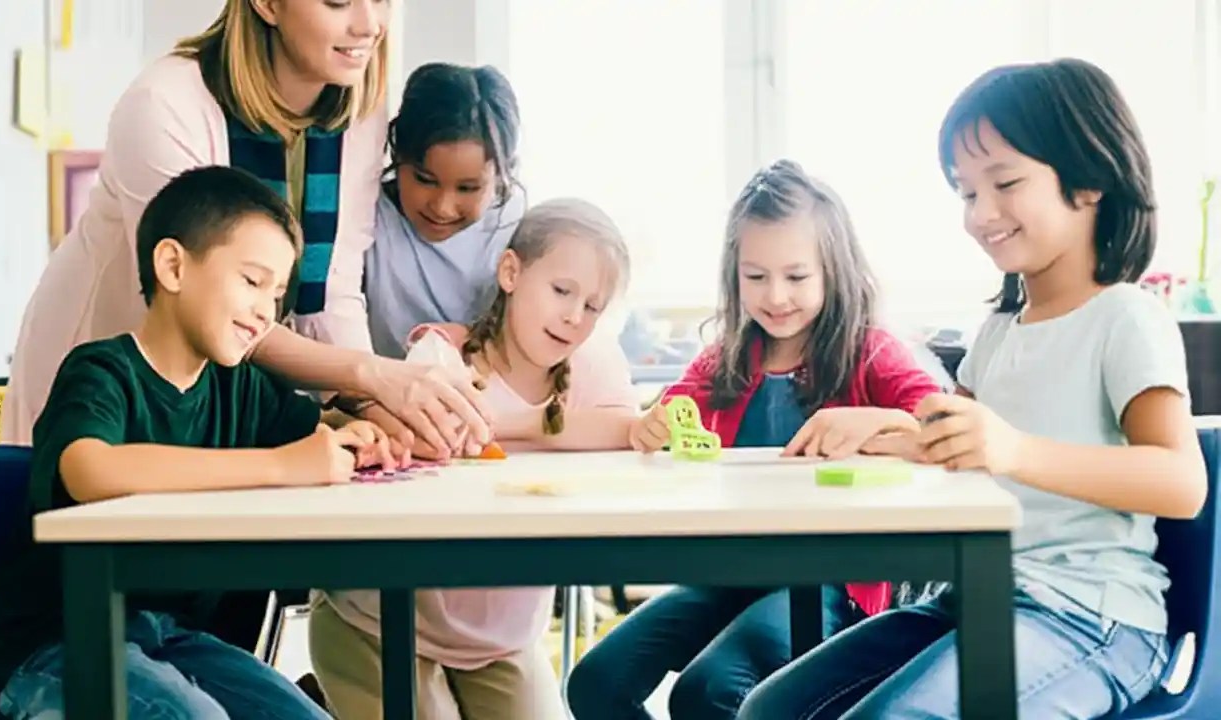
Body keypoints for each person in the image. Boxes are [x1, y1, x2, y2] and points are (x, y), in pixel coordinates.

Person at [737, 58, 1207, 720]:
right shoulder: (996, 332)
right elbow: (957, 450)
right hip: (977, 596)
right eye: (965, 192)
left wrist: (1013, 450)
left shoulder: (1124, 317)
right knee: (770, 709)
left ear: (1091, 181)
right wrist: (882, 429)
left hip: (1092, 617)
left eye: (1005, 182)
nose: (979, 213)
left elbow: (1180, 483)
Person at [0, 166, 408, 719]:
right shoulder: (102, 371)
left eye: (277, 294)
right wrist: (281, 465)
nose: (265, 311)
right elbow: (91, 471)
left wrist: (361, 436)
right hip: (56, 645)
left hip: (169, 639)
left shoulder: (242, 388)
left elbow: (318, 432)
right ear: (173, 266)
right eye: (252, 282)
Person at [2, 0, 488, 457]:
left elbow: (330, 291)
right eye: (337, 2)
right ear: (267, 4)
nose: (369, 25)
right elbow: (206, 302)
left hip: (214, 401)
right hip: (111, 384)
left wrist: (377, 404)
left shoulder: (358, 107)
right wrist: (372, 376)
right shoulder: (165, 103)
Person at [567, 160, 943, 720]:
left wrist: (877, 421)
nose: (776, 296)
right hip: (730, 572)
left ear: (832, 271)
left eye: (796, 277)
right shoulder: (728, 356)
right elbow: (666, 414)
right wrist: (653, 427)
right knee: (596, 684)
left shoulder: (870, 352)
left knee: (708, 691)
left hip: (830, 584)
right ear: (734, 276)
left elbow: (945, 424)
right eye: (756, 276)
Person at [308, 198, 641, 720]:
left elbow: (629, 430)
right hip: (378, 621)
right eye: (561, 291)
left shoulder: (592, 364)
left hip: (499, 642)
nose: (575, 317)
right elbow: (420, 438)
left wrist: (518, 424)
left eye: (593, 306)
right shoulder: (440, 360)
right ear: (511, 271)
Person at [364, 62, 525, 360]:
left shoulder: (516, 228)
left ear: (502, 175)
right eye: (425, 180)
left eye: (468, 188)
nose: (442, 207)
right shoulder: (368, 216)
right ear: (397, 155)